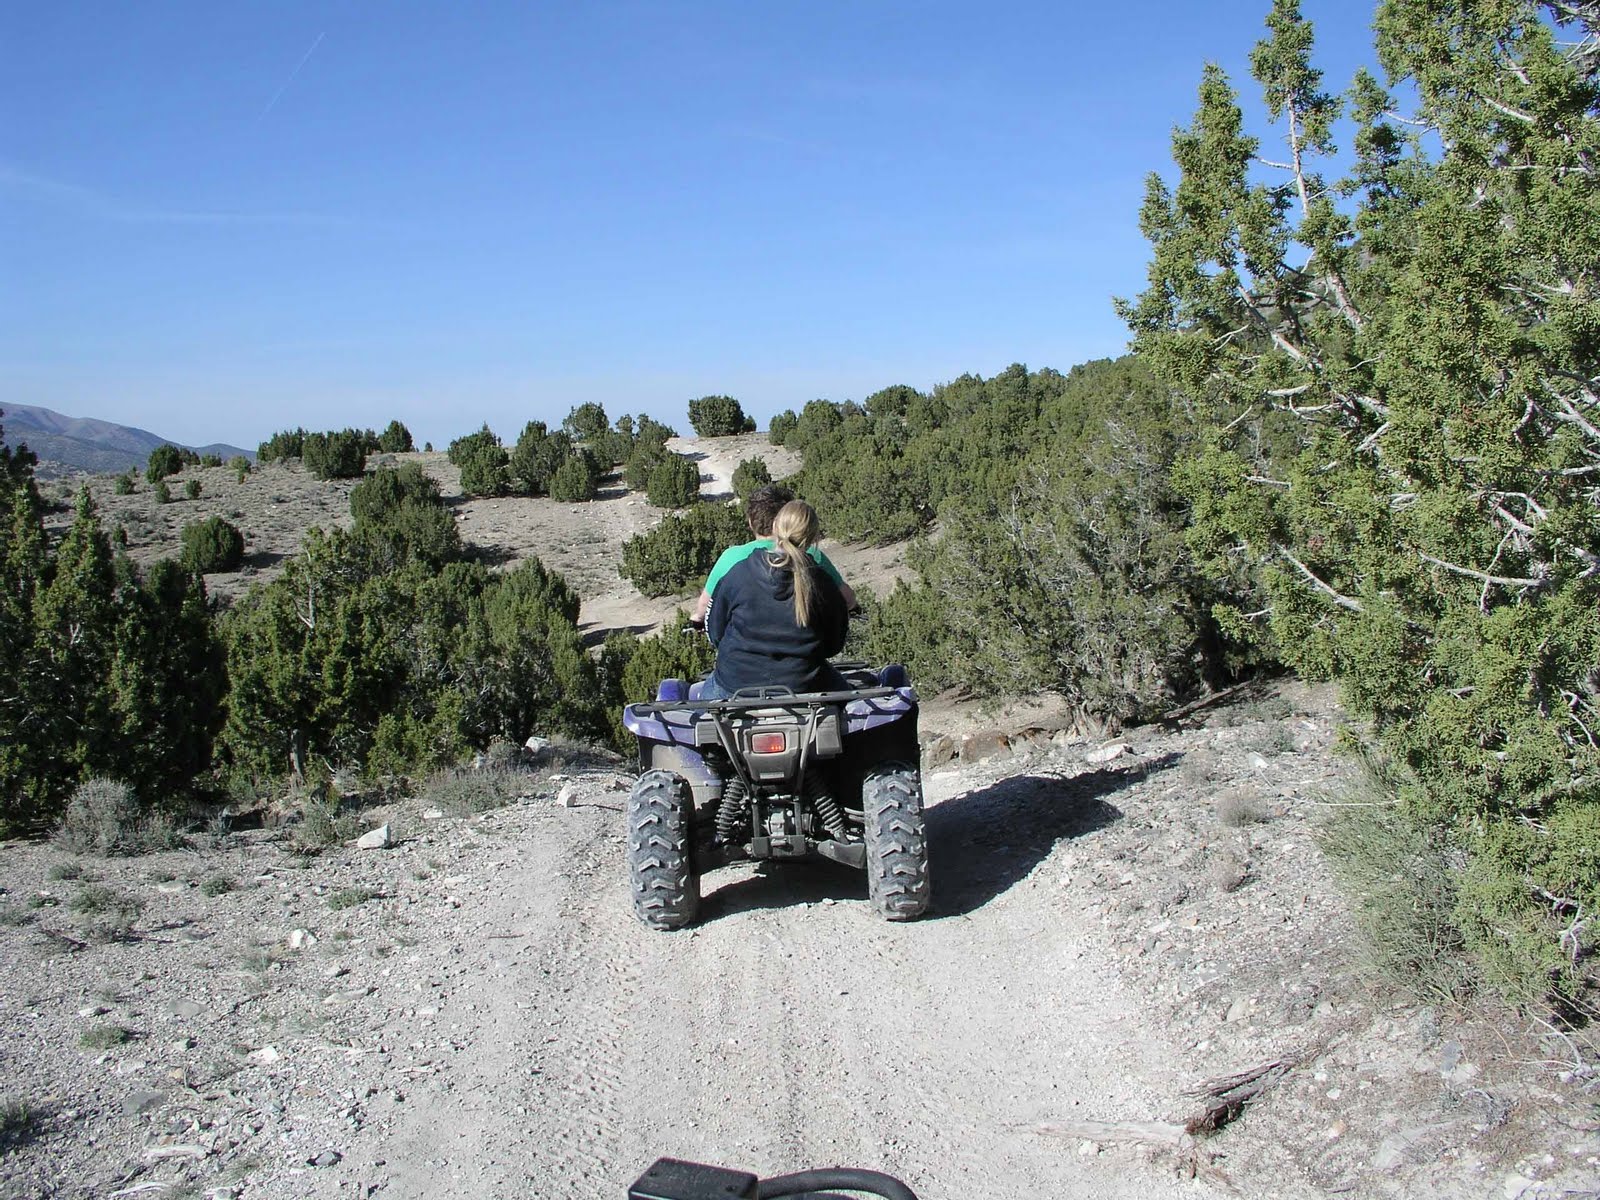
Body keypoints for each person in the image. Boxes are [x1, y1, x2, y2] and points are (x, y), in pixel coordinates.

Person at [701, 500, 850, 698]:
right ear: (814, 536)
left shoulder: (739, 571)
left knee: (700, 712)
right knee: (851, 703)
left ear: (774, 527)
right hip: (803, 683)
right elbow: (834, 644)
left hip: (734, 683)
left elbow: (715, 631)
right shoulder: (821, 580)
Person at [690, 483, 855, 625]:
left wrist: (697, 620)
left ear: (750, 522)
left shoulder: (731, 558)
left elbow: (705, 608)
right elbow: (847, 599)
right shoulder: (810, 554)